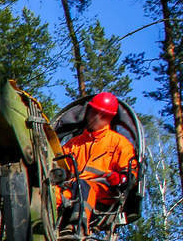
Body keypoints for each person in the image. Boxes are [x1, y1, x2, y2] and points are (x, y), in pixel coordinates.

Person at [58, 91, 136, 231]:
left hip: (103, 192)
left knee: (83, 186)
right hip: (73, 189)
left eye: (102, 115)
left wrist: (120, 178)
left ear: (109, 118)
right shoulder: (74, 144)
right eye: (94, 112)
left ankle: (77, 229)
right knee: (51, 195)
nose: (96, 117)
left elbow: (131, 174)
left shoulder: (119, 143)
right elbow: (58, 166)